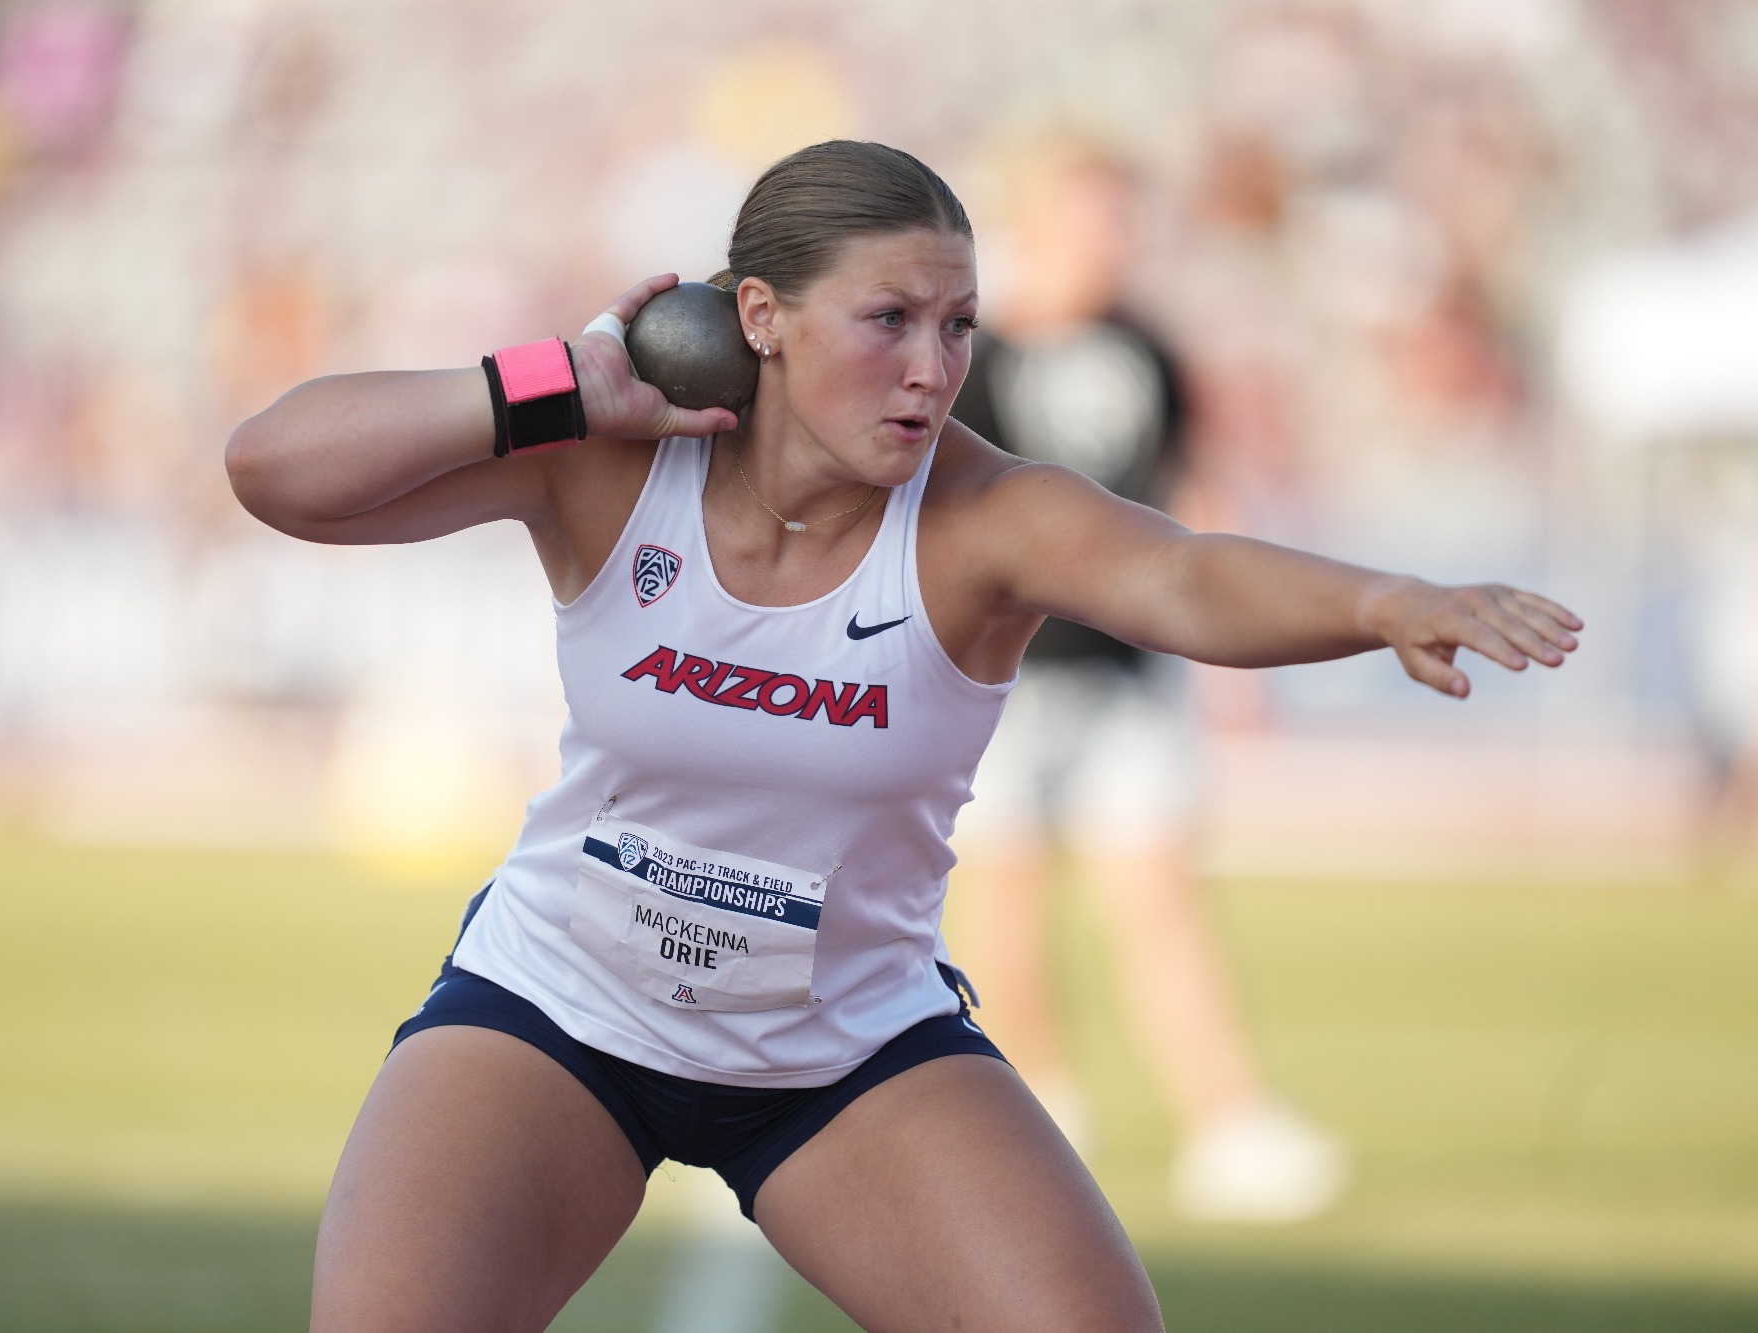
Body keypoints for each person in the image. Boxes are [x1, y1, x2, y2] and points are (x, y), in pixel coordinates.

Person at [225, 140, 1579, 1332]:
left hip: (843, 1052)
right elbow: (276, 470)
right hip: (560, 1009)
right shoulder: (610, 458)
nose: (933, 370)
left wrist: (1386, 599)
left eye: (960, 324)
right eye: (889, 319)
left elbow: (1183, 576)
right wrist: (558, 383)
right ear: (756, 316)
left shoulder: (984, 515)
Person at [950, 141, 1346, 1222]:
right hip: (997, 677)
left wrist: (1237, 645)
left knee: (1159, 897)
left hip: (1121, 673)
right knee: (1007, 903)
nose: (1112, 238)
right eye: (1090, 215)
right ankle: (1037, 1103)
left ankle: (1225, 1119)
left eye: (1121, 217)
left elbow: (1195, 488)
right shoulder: (970, 350)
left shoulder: (1147, 346)